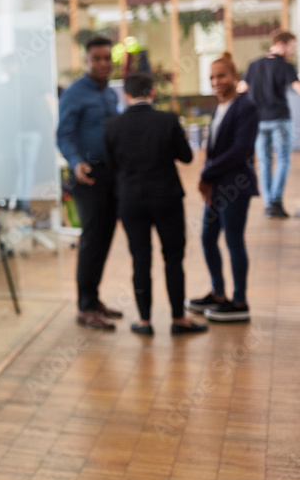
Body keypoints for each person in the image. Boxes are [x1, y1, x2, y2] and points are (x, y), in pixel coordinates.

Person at [103, 73, 205, 335]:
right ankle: (178, 319)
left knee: (140, 260)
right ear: (152, 93)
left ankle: (145, 321)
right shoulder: (167, 120)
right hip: (166, 198)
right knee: (173, 258)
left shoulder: (113, 125)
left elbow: (111, 166)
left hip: (130, 200)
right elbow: (186, 157)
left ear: (125, 95)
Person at [187, 53, 259, 322]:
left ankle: (240, 301)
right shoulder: (219, 107)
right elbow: (215, 148)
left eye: (221, 75)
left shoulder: (245, 107)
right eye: (212, 77)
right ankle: (218, 293)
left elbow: (241, 150)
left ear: (234, 76)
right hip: (218, 186)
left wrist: (206, 172)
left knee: (233, 241)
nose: (216, 81)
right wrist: (209, 176)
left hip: (235, 186)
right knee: (207, 238)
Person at [57, 35, 123, 329]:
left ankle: (94, 300)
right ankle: (85, 307)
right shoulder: (74, 92)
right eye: (96, 58)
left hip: (112, 175)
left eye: (107, 58)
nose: (103, 63)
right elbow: (63, 134)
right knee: (92, 240)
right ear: (86, 61)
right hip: (87, 175)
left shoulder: (110, 94)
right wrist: (75, 162)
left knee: (105, 238)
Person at [238, 30, 300, 218]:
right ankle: (275, 201)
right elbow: (297, 87)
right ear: (281, 45)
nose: (292, 50)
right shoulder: (285, 66)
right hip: (279, 119)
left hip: (258, 121)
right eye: (292, 46)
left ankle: (268, 205)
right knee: (282, 159)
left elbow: (241, 89)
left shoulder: (254, 65)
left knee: (264, 162)